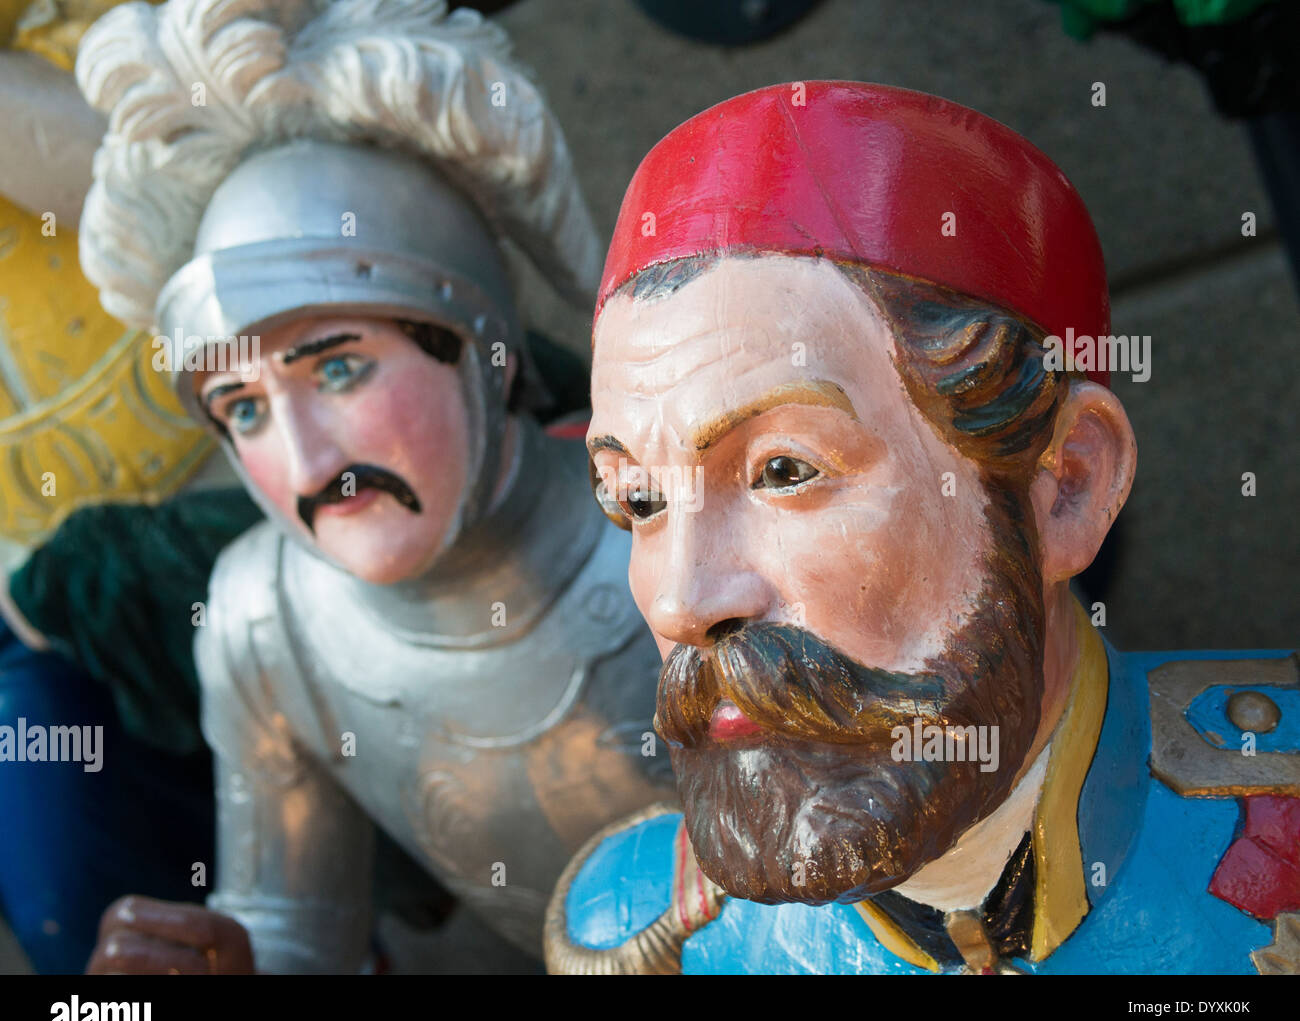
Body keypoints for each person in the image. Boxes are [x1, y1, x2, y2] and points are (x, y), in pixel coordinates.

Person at [546, 81, 1300, 975]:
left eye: (785, 471)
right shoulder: (647, 934)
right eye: (639, 498)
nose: (679, 600)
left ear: (1066, 486)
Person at [76, 0, 672, 974]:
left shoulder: (678, 529)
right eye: (245, 408)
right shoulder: (261, 616)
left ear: (481, 350)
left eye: (341, 369)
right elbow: (292, 925)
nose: (308, 463)